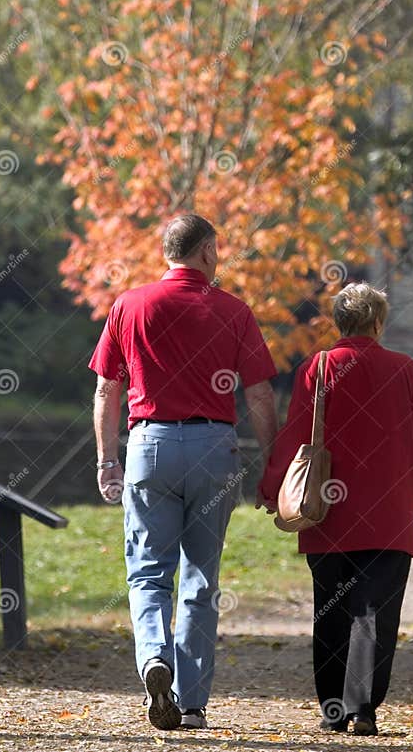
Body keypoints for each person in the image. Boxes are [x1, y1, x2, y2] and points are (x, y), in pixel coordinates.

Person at [89, 214, 277, 730]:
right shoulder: (234, 311)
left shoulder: (129, 305)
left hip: (148, 445)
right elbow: (258, 393)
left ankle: (154, 658)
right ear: (209, 251)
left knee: (149, 571)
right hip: (214, 448)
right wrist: (275, 464)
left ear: (167, 251)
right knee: (200, 577)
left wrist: (108, 460)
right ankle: (191, 702)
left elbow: (107, 390)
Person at [258, 282, 413, 736]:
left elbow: (297, 433)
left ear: (339, 322)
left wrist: (272, 487)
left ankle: (333, 708)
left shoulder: (316, 368)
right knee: (374, 611)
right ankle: (365, 709)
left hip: (326, 510)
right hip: (388, 511)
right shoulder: (406, 370)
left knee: (331, 609)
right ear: (378, 322)